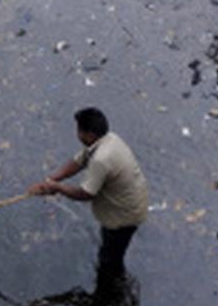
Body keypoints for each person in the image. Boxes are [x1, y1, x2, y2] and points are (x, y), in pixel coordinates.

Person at [30, 108, 148, 295]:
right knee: (110, 249)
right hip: (130, 202)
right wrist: (52, 181)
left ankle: (111, 288)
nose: (77, 134)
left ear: (90, 135)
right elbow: (79, 161)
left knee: (110, 258)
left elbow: (86, 193)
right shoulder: (109, 139)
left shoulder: (102, 159)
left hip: (124, 215)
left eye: (79, 130)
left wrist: (57, 189)